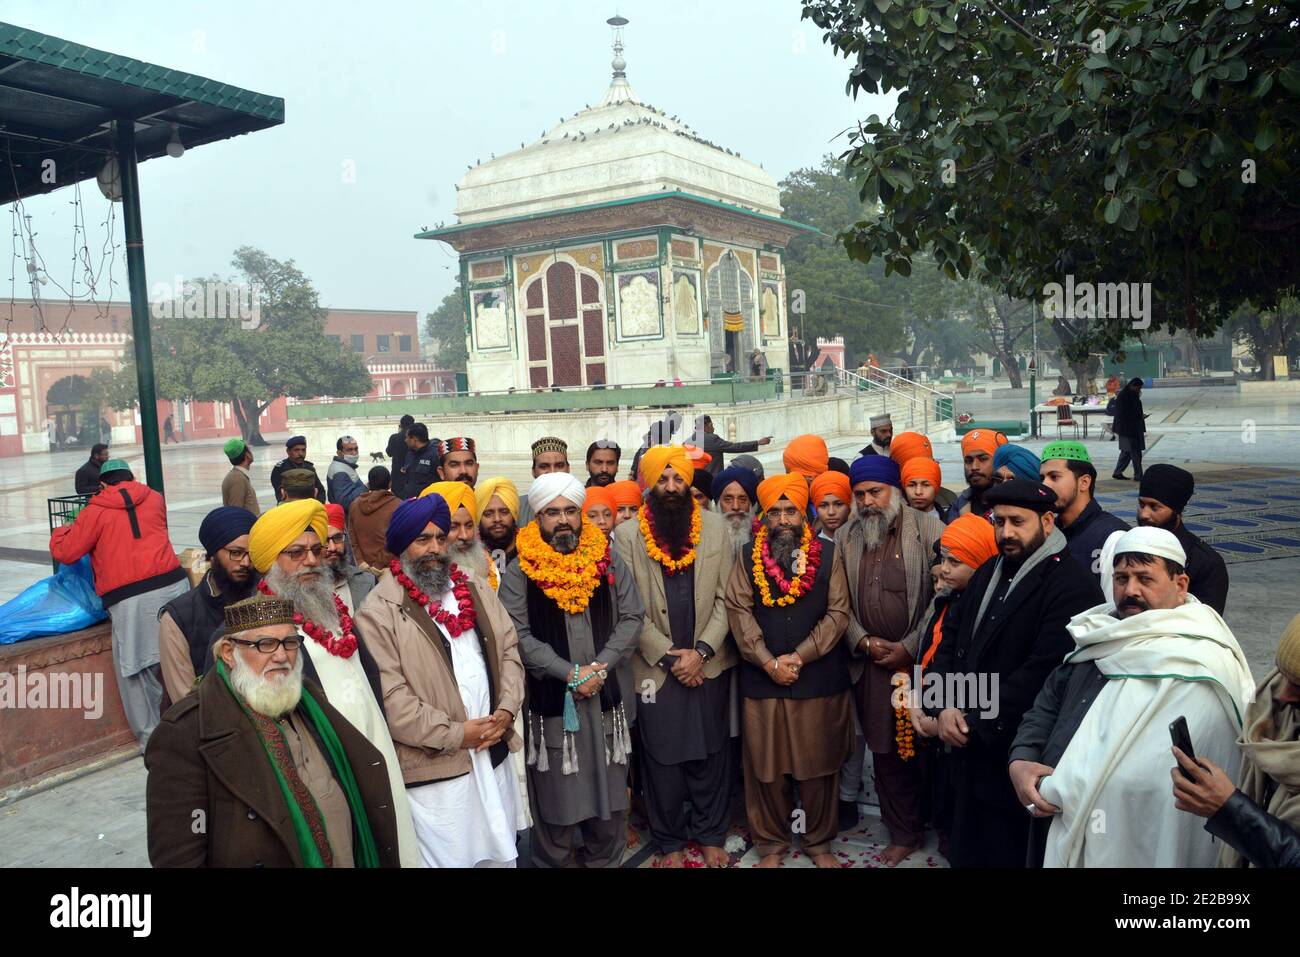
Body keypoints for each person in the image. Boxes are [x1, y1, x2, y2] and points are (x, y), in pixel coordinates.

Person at [1009, 526, 1253, 867]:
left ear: (1180, 585)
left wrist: (1079, 784)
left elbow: (1180, 766)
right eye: (1121, 578)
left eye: (1144, 578)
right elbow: (1045, 708)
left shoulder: (1204, 657)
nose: (1130, 590)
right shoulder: (1098, 634)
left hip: (1147, 832)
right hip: (1059, 816)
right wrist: (1021, 759)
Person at [145, 595, 401, 867]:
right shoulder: (185, 732)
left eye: (290, 642)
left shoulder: (309, 702)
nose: (281, 656)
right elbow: (178, 857)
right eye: (264, 644)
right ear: (230, 653)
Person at [924, 479, 1103, 867]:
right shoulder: (991, 569)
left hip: (1016, 752)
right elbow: (952, 639)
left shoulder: (1071, 585)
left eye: (1017, 522)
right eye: (999, 521)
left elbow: (1040, 673)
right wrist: (944, 707)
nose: (1006, 532)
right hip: (969, 747)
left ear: (1048, 522)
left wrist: (968, 716)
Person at [245, 499, 421, 866]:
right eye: (295, 553)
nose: (310, 560)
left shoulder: (333, 607)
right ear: (269, 562)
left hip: (375, 750)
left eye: (315, 550)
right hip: (325, 766)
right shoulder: (259, 632)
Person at [357, 494, 527, 868]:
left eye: (439, 537)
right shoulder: (378, 611)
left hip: (491, 752)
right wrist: (456, 734)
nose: (434, 548)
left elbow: (509, 652)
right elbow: (393, 700)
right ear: (402, 546)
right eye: (422, 540)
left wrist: (505, 711)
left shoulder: (474, 587)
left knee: (501, 856)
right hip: (438, 772)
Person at [499, 473, 644, 868]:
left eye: (569, 511)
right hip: (553, 708)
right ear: (537, 518)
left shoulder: (608, 559)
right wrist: (569, 673)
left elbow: (632, 616)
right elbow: (516, 633)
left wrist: (601, 666)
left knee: (611, 806)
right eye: (552, 513)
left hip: (605, 701)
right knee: (557, 807)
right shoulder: (519, 570)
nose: (563, 520)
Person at [613, 446, 736, 867]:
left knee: (711, 751)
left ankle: (711, 833)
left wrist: (701, 651)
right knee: (661, 757)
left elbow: (727, 599)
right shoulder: (627, 537)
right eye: (662, 480)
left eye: (678, 479)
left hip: (710, 662)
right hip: (655, 667)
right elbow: (629, 609)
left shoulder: (717, 529)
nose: (670, 487)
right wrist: (670, 656)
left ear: (689, 483)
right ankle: (668, 842)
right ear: (649, 483)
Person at [725, 472, 853, 868]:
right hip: (762, 680)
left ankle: (818, 842)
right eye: (775, 512)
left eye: (790, 511)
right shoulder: (747, 556)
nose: (782, 519)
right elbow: (738, 609)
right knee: (765, 768)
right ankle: (771, 846)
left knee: (818, 766)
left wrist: (798, 657)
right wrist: (766, 661)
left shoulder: (829, 555)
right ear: (763, 516)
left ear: (805, 515)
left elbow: (838, 613)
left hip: (817, 678)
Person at [835, 455, 943, 865]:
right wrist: (862, 642)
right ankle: (903, 831)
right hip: (871, 665)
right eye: (859, 495)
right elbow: (838, 602)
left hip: (921, 662)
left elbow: (942, 597)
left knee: (928, 746)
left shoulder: (929, 529)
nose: (867, 502)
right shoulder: (846, 537)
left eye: (874, 492)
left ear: (893, 492)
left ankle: (935, 823)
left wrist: (910, 645)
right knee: (886, 749)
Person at [50, 459, 190, 749]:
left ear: (102, 484)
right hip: (174, 584)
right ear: (132, 477)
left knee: (135, 670)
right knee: (179, 659)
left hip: (131, 598)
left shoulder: (95, 510)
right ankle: (193, 725)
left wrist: (62, 530)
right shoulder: (154, 498)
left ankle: (152, 740)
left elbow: (67, 551)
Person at [1173, 613, 1300, 868]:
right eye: (1282, 674)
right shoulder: (1275, 702)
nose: (1283, 695)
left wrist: (1230, 809)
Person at [908, 515, 999, 858]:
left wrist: (940, 718)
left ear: (980, 563)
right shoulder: (946, 599)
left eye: (954, 562)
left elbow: (981, 678)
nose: (942, 569)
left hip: (961, 730)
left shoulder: (984, 611)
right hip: (933, 718)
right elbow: (927, 652)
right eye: (941, 559)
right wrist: (917, 703)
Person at [158, 506, 258, 704]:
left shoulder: (266, 597)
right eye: (236, 553)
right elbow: (186, 701)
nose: (246, 562)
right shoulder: (178, 618)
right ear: (211, 554)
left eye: (251, 553)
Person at [1136, 464, 1229, 614]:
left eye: (1154, 507)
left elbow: (1205, 624)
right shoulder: (1130, 547)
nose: (1144, 514)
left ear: (1176, 511)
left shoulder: (1206, 563)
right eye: (1141, 504)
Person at [1038, 440, 1128, 580]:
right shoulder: (1047, 531)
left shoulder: (1112, 537)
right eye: (1042, 478)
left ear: (1084, 482)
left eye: (1054, 477)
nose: (1044, 485)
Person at [419, 480, 497, 589]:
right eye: (453, 527)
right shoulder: (414, 574)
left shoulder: (489, 567)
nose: (464, 536)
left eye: (469, 526)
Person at [945, 429, 1008, 522]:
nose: (974, 467)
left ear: (1000, 462)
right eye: (969, 461)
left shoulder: (1017, 503)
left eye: (983, 459)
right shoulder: (958, 506)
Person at [348, 466, 401, 574]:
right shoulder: (398, 505)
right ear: (390, 483)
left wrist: (361, 561)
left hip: (363, 570)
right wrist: (378, 565)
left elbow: (351, 537)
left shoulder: (355, 504)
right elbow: (395, 540)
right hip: (390, 570)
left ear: (369, 484)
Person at [687, 415, 771, 477]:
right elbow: (735, 447)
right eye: (711, 425)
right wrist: (758, 442)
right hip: (712, 482)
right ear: (705, 426)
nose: (713, 428)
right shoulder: (712, 439)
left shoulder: (687, 442)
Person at [516, 436, 570, 527]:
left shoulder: (583, 503)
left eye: (559, 466)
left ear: (568, 469)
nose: (552, 472)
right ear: (533, 471)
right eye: (544, 466)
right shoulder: (517, 507)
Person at [712, 465, 760, 562]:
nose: (736, 507)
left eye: (742, 499)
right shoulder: (702, 540)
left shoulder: (764, 541)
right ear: (718, 504)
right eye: (728, 499)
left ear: (751, 505)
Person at [477, 477, 521, 564]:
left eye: (504, 512)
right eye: (488, 514)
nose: (497, 519)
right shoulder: (468, 556)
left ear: (514, 514)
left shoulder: (533, 553)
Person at [270, 436, 325, 504]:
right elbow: (280, 494)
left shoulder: (309, 468)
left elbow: (320, 491)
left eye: (303, 450)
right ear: (288, 451)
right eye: (296, 450)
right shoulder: (280, 469)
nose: (301, 454)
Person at [1111, 377, 1147, 480]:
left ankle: (1118, 472)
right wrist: (1139, 416)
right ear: (1132, 386)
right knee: (1135, 452)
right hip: (1127, 429)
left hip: (1132, 427)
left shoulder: (1131, 395)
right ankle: (1138, 475)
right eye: (1138, 388)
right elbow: (1124, 413)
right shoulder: (1124, 396)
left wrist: (1140, 416)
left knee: (1126, 452)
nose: (1139, 390)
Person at [395, 423, 440, 499]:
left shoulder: (435, 454)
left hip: (427, 502)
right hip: (410, 501)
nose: (405, 440)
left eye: (407, 437)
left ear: (414, 439)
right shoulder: (410, 454)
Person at [220, 438, 260, 515]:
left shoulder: (239, 476)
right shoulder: (237, 479)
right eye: (249, 450)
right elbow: (235, 514)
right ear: (247, 455)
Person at [811, 470, 852, 542]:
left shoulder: (864, 544)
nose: (831, 512)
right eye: (823, 506)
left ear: (849, 506)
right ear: (816, 508)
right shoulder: (807, 548)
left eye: (838, 504)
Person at [326, 435, 366, 508]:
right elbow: (344, 502)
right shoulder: (340, 472)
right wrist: (365, 487)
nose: (354, 453)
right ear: (339, 453)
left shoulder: (344, 466)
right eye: (349, 450)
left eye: (356, 449)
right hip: (347, 517)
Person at [386, 414, 414, 481]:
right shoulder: (415, 438)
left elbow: (389, 453)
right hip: (411, 474)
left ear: (401, 425)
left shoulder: (394, 437)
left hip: (397, 475)